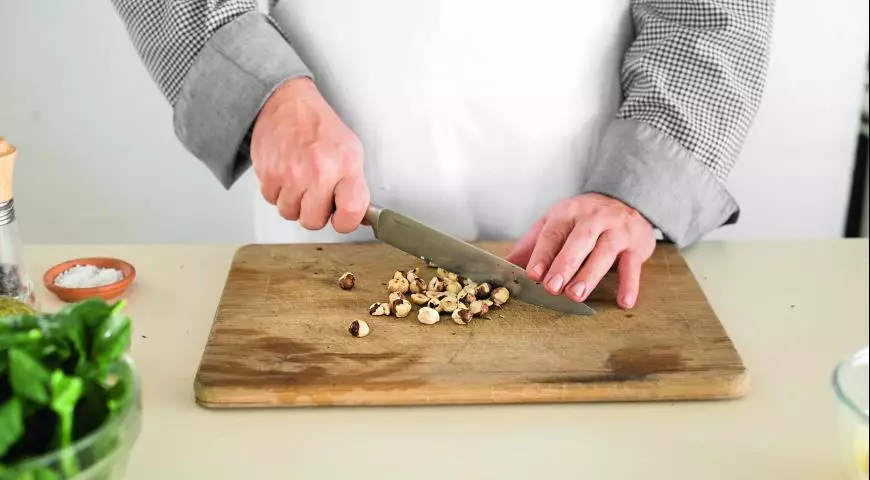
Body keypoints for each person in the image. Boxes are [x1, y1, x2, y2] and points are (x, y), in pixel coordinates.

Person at [109, 0, 774, 309]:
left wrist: (640, 185)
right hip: (322, 238)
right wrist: (263, 92)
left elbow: (715, 10)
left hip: (586, 239)